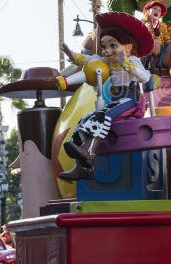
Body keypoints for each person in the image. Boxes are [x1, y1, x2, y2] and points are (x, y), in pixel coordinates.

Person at [59, 12, 154, 181]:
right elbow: (88, 60)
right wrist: (71, 54)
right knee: (84, 119)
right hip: (116, 101)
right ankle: (83, 167)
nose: (107, 50)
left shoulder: (132, 60)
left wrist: (126, 63)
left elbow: (145, 78)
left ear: (128, 47)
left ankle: (89, 151)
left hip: (131, 100)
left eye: (112, 45)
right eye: (104, 46)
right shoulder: (108, 62)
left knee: (103, 115)